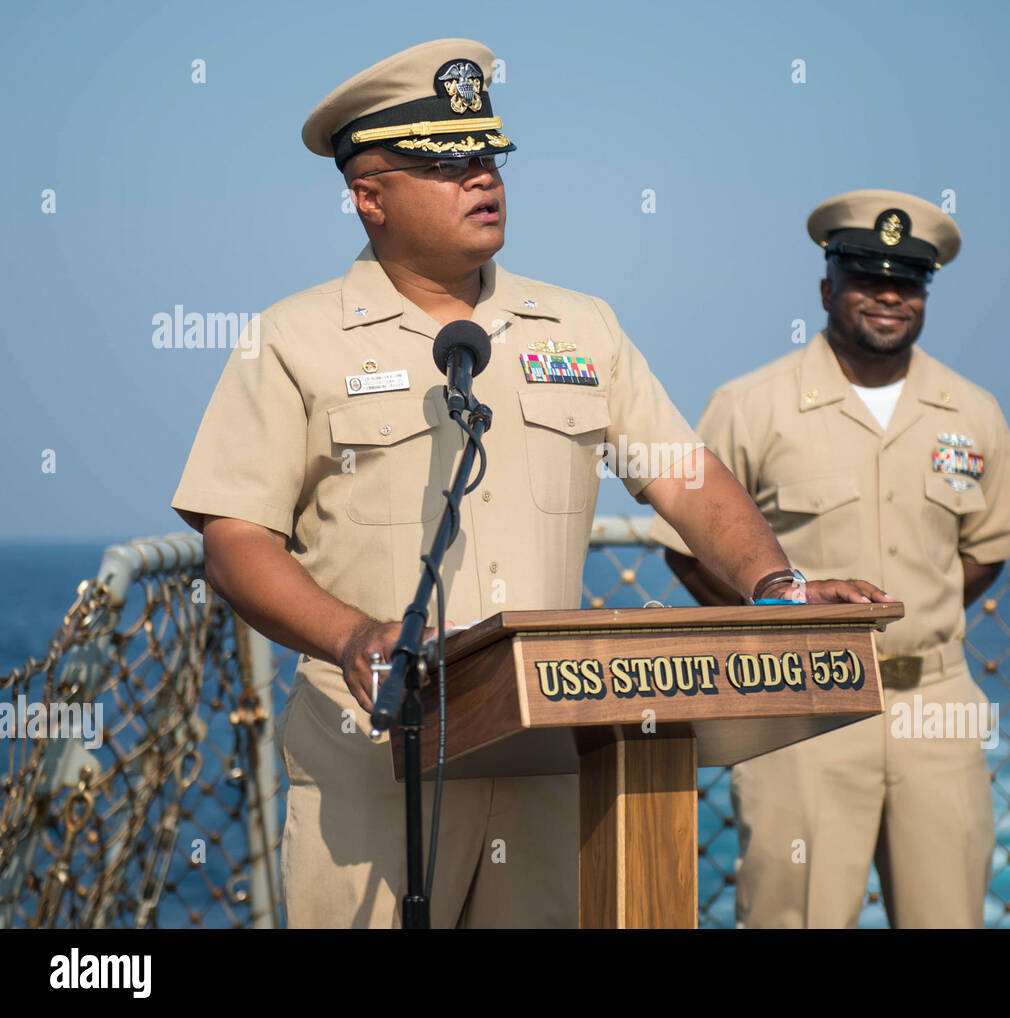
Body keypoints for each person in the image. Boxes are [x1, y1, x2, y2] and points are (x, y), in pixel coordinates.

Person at [170, 40, 891, 928]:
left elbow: (683, 475)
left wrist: (777, 588)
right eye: (448, 161)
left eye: (489, 155)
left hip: (551, 749)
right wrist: (354, 635)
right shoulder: (291, 339)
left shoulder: (580, 324)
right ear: (368, 196)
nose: (483, 177)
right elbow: (237, 541)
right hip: (377, 757)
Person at [650, 190, 1010, 928]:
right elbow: (688, 548)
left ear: (925, 293)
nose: (889, 296)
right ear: (827, 286)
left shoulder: (974, 410)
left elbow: (987, 549)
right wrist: (779, 631)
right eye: (867, 276)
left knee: (948, 916)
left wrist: (919, 619)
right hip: (803, 707)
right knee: (792, 915)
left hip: (937, 706)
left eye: (909, 281)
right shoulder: (751, 404)